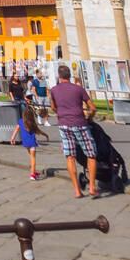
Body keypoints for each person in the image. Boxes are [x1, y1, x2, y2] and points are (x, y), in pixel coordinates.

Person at [49, 64, 100, 198]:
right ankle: (92, 187)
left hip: (64, 125)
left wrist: (62, 113)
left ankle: (77, 190)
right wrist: (90, 117)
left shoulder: (54, 90)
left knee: (70, 156)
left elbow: (53, 107)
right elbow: (93, 108)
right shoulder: (78, 89)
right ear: (69, 75)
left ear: (59, 77)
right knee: (91, 154)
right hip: (80, 123)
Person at [10, 96, 50, 179]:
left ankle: (34, 171)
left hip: (25, 143)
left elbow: (16, 130)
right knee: (33, 158)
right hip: (32, 143)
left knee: (31, 156)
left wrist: (12, 138)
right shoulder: (32, 123)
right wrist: (45, 135)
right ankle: (32, 174)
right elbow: (38, 131)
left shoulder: (21, 121)